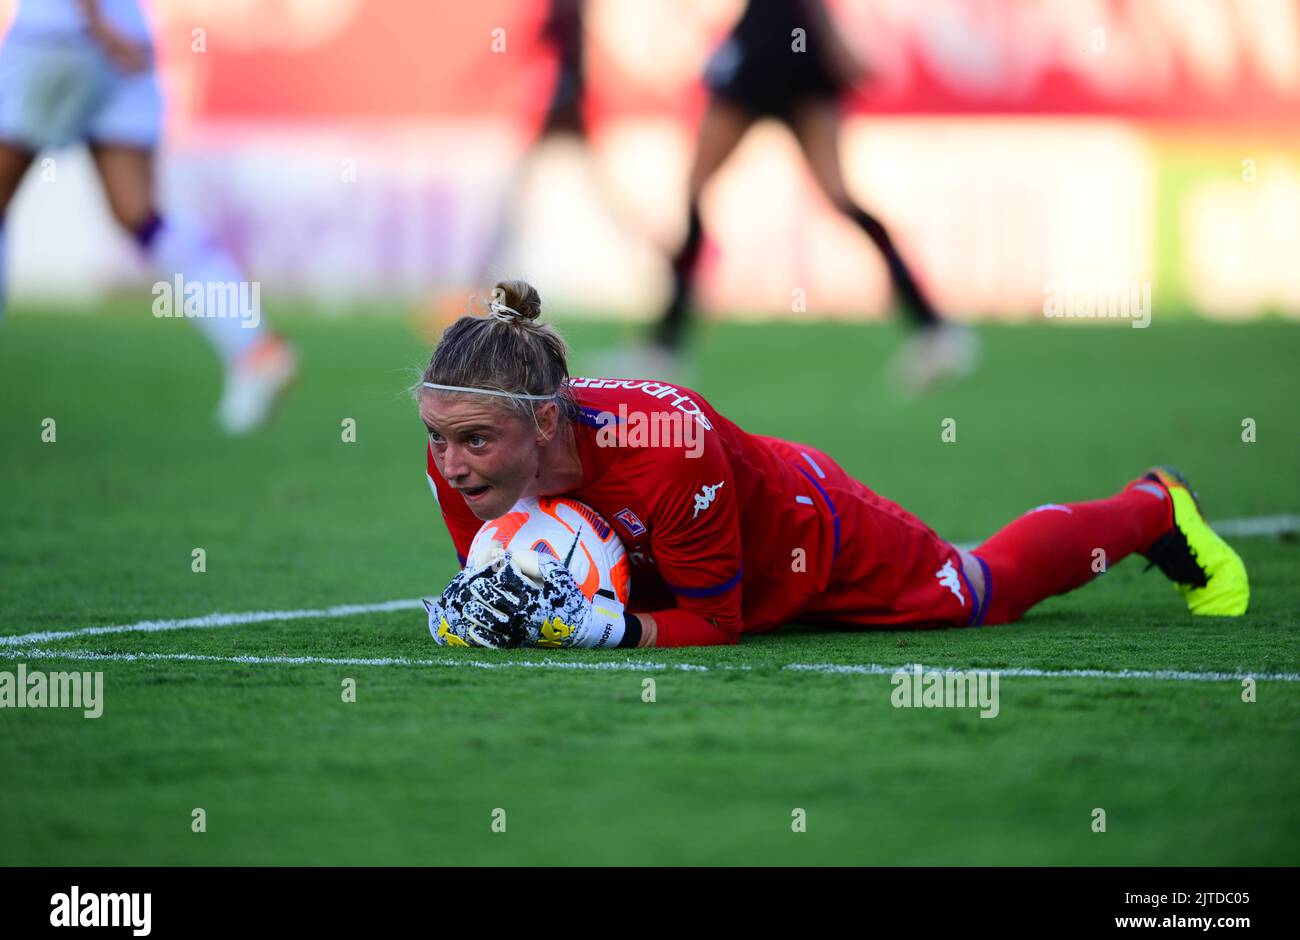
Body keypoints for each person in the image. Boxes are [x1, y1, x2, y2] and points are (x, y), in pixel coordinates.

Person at [419, 280, 1247, 649]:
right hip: (671, 557)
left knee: (977, 595)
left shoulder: (664, 447)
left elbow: (717, 626)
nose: (451, 465)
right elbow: (506, 575)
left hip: (810, 536)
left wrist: (608, 631)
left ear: (548, 419)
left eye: (475, 441)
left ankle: (1153, 507)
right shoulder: (463, 460)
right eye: (437, 437)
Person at [621, 0, 975, 390]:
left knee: (697, 188)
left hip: (768, 48)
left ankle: (665, 347)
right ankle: (934, 329)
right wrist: (834, 43)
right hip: (799, 52)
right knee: (838, 196)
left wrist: (835, 42)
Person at [0, 0, 296, 433]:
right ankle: (254, 347)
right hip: (128, 40)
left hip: (60, 33)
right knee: (141, 216)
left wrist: (96, 23)